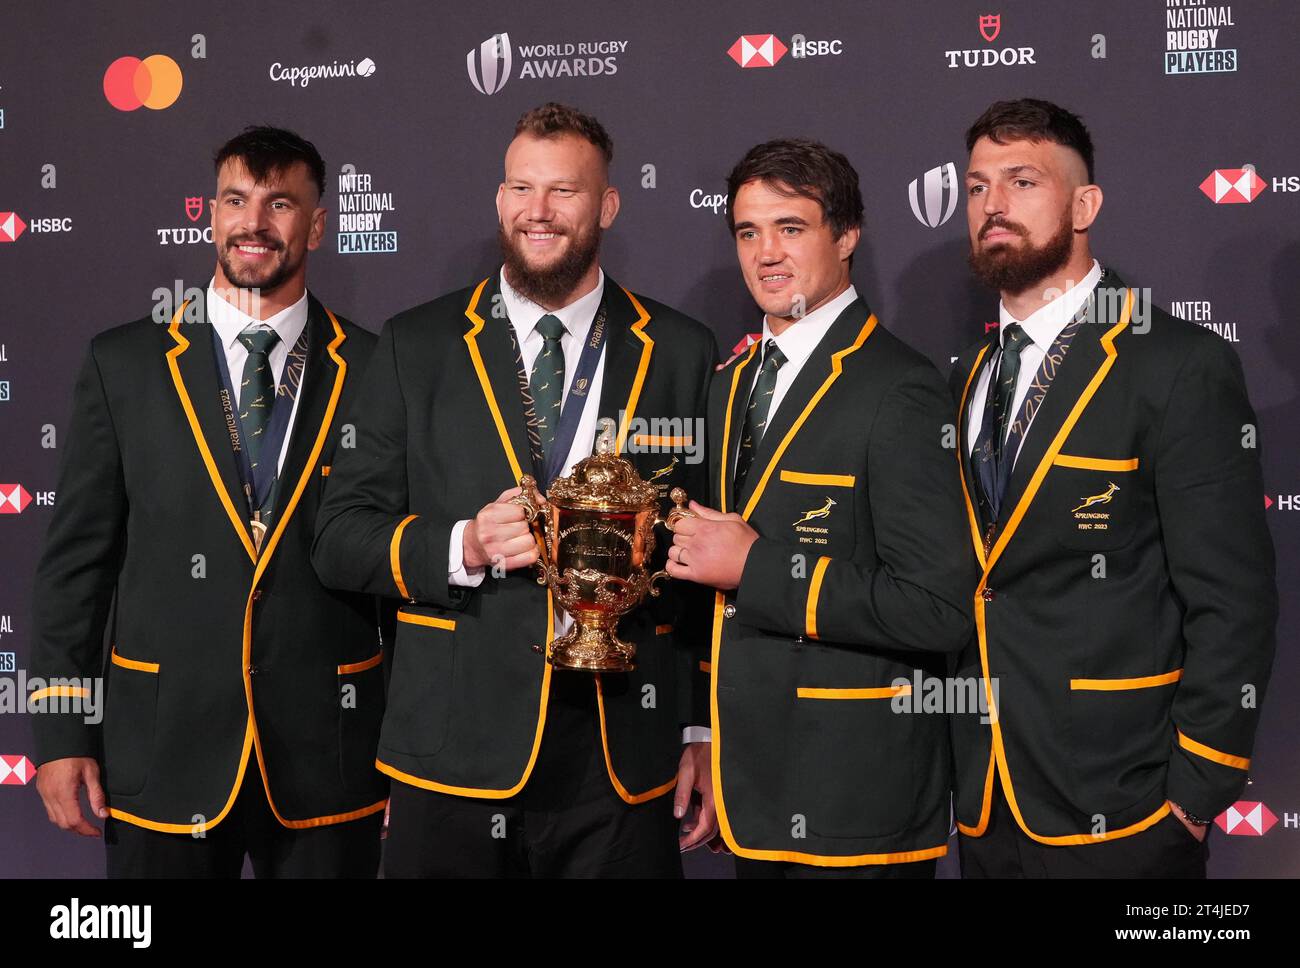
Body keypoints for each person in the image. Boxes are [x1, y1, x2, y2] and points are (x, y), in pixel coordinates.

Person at [312, 102, 718, 877]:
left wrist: (698, 727)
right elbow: (339, 538)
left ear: (606, 205)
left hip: (622, 752)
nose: (539, 211)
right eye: (521, 189)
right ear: (499, 200)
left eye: (564, 192)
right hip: (454, 750)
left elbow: (705, 558)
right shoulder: (417, 344)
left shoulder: (679, 348)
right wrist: (463, 544)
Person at [30, 126, 387, 877]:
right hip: (164, 752)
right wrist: (62, 733)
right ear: (210, 213)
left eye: (280, 203)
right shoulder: (124, 363)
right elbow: (75, 568)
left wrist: (407, 750)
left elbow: (395, 567)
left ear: (318, 224)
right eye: (235, 199)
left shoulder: (376, 367)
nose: (253, 223)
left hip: (332, 758)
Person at [950, 98, 1277, 877]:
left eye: (1022, 181)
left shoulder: (1173, 362)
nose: (993, 205)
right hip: (987, 796)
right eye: (976, 187)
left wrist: (1197, 788)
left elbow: (1235, 597)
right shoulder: (967, 373)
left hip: (1128, 806)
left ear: (1085, 204)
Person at [666, 138, 976, 878]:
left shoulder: (900, 389)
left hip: (857, 802)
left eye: (791, 228)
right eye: (748, 232)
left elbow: (938, 606)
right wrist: (704, 732)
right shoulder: (728, 383)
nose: (766, 253)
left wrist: (756, 566)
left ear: (846, 236)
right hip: (750, 789)